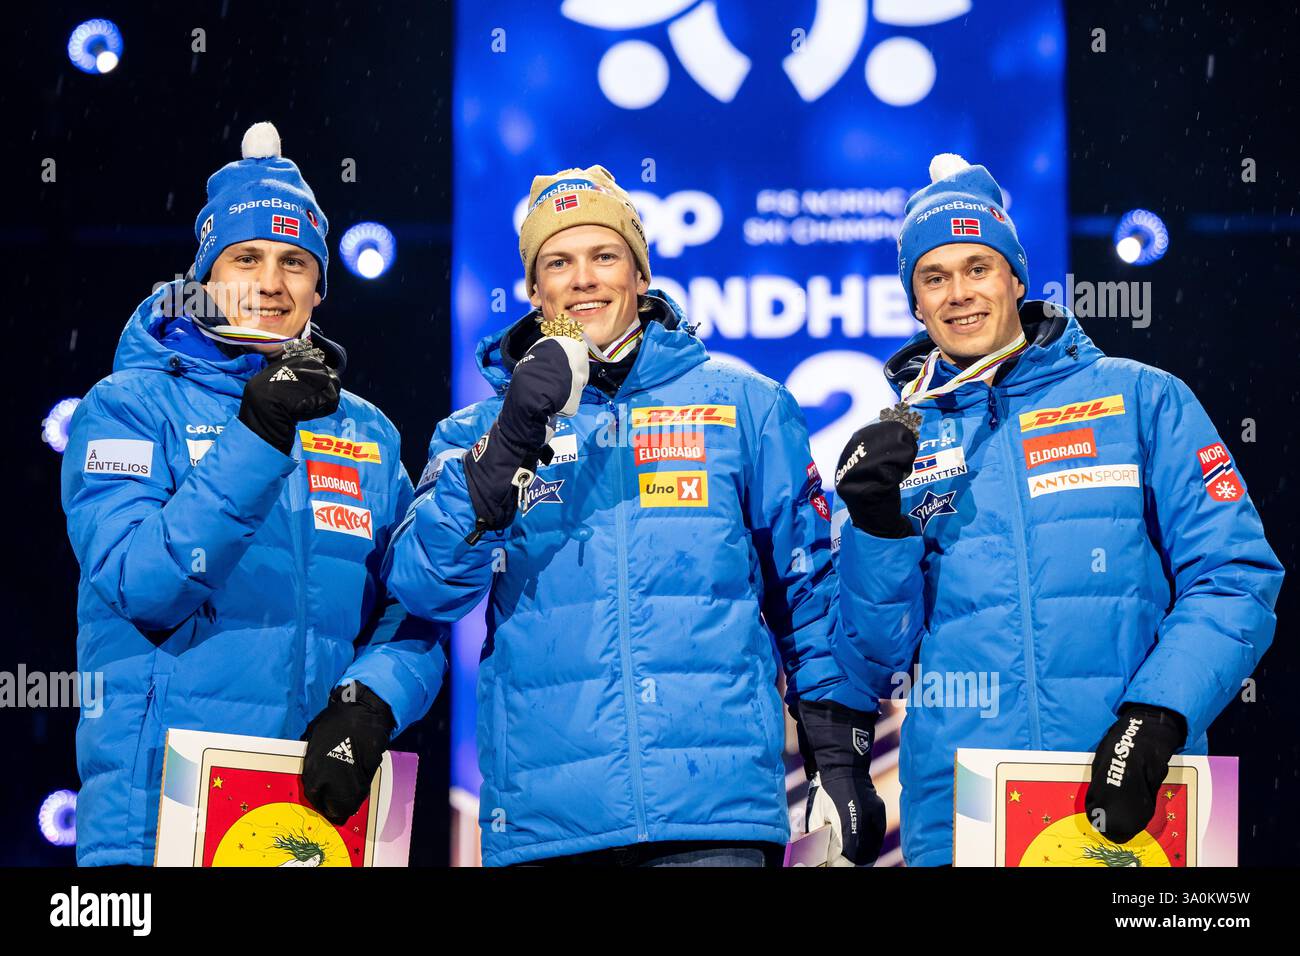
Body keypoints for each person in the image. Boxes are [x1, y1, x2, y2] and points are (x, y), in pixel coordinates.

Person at [305, 165, 882, 867]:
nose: (583, 280)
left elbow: (807, 595)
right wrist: (511, 439)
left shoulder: (747, 406)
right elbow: (425, 587)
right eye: (559, 262)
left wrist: (840, 754)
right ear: (533, 288)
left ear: (640, 276)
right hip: (547, 826)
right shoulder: (475, 430)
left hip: (713, 822)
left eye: (605, 256)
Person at [830, 153, 1284, 866]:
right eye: (934, 276)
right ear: (914, 301)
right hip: (964, 813)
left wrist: (1155, 718)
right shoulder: (892, 448)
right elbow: (873, 659)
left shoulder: (1142, 399)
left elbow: (1235, 578)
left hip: (1136, 792)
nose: (959, 294)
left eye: (978, 267)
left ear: (1016, 276)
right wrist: (876, 531)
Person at [61, 122, 445, 866]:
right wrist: (258, 434)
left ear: (318, 286)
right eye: (246, 257)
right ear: (205, 274)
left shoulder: (367, 432)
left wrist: (370, 703)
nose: (271, 282)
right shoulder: (126, 406)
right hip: (153, 823)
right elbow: (144, 584)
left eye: (295, 262)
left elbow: (415, 605)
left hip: (313, 819)